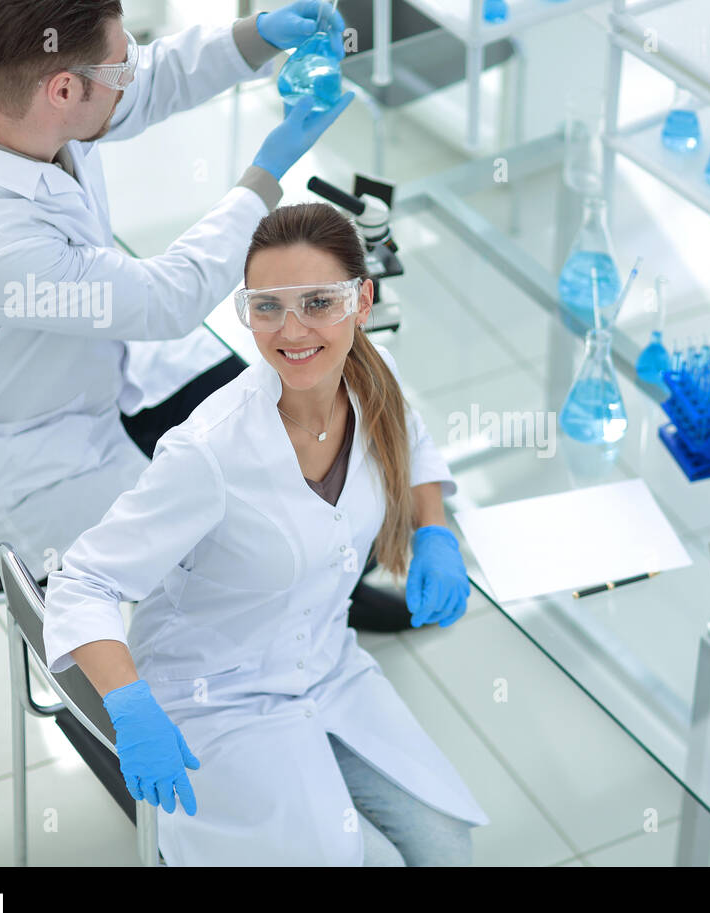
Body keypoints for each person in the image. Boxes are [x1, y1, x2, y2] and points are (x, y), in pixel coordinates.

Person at [0, 0, 413, 628]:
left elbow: (149, 80)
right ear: (63, 89)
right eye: (119, 67)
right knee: (240, 557)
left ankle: (334, 573)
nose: (132, 74)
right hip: (24, 456)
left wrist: (254, 35)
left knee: (295, 401)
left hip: (85, 371)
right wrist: (269, 171)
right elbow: (170, 298)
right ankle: (293, 640)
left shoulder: (0, 99)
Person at [41, 202, 486, 866]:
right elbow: (85, 579)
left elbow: (410, 442)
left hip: (328, 670)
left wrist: (434, 530)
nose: (293, 330)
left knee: (448, 849)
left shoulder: (372, 380)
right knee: (348, 860)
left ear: (362, 302)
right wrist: (130, 705)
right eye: (267, 306)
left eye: (318, 302)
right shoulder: (210, 452)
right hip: (213, 699)